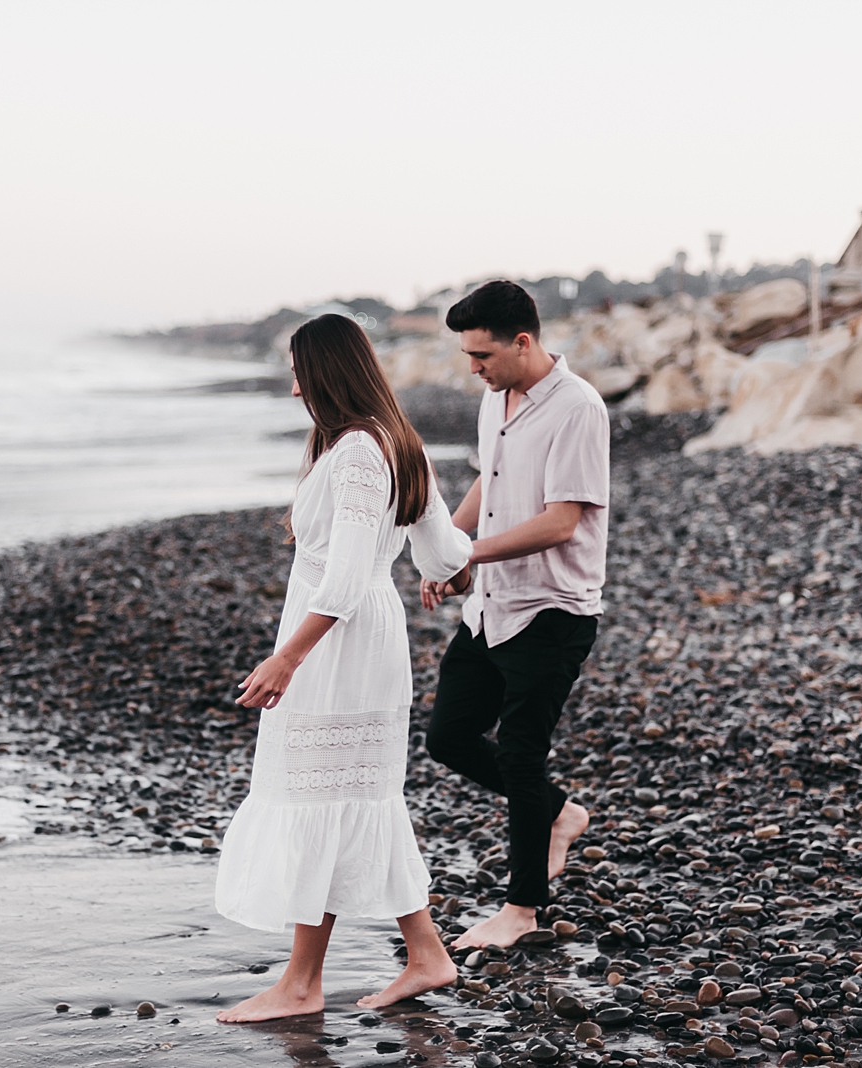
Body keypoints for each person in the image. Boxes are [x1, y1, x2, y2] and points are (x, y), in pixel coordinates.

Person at [214, 313, 475, 1023]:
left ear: (325, 372)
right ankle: (425, 955)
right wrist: (442, 577)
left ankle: (302, 983)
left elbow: (354, 573)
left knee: (321, 795)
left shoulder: (360, 452)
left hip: (338, 643)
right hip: (356, 637)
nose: (294, 384)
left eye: (300, 370)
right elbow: (446, 553)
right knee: (352, 794)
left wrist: (287, 656)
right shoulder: (395, 441)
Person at [420, 280, 610, 950]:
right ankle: (559, 815)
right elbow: (487, 479)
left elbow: (562, 521)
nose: (472, 368)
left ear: (522, 341)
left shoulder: (578, 409)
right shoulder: (495, 399)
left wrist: (473, 551)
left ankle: (522, 909)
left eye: (482, 355)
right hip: (491, 607)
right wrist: (448, 553)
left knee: (524, 759)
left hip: (552, 610)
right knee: (447, 737)